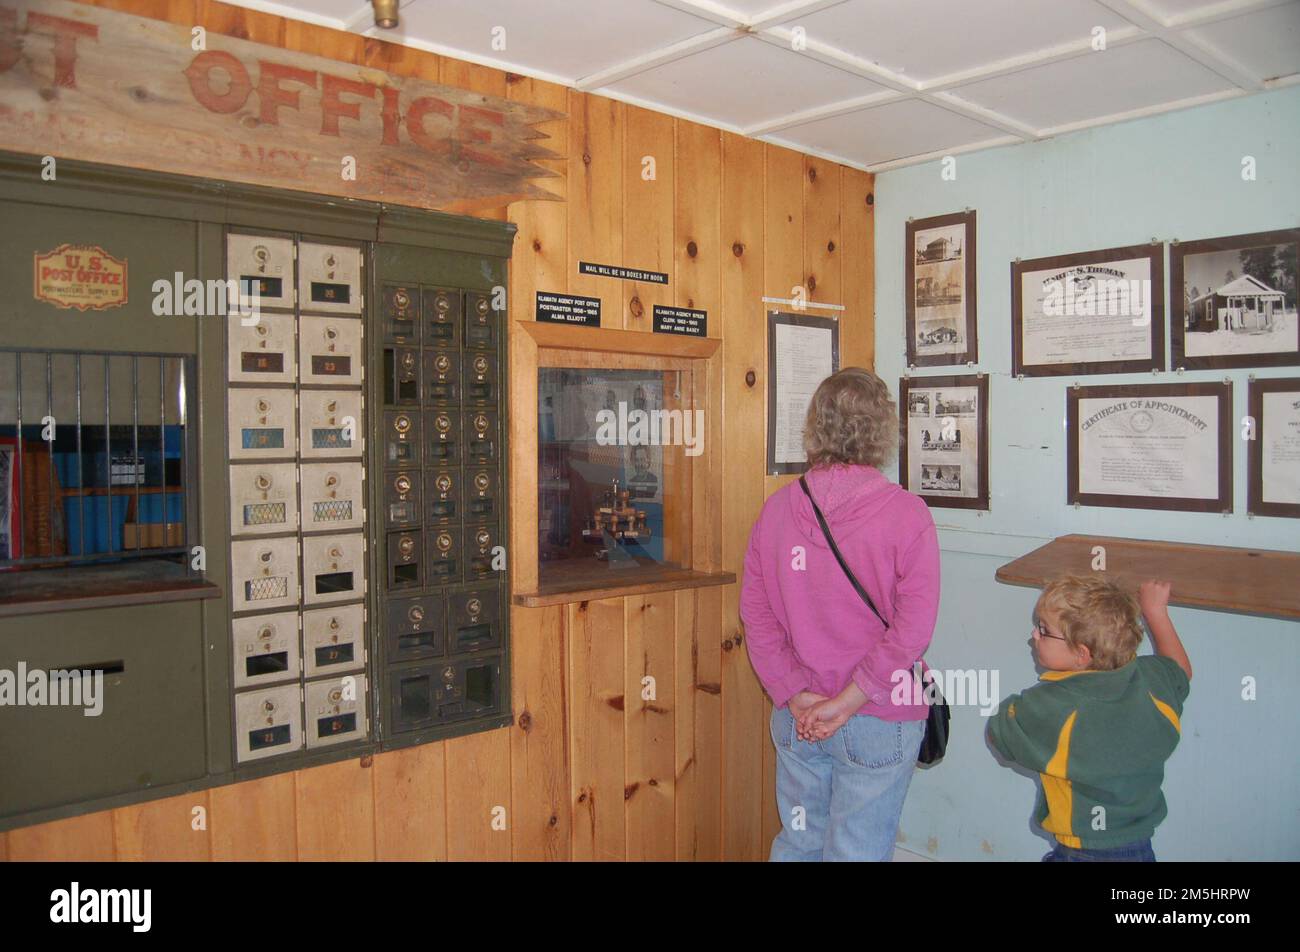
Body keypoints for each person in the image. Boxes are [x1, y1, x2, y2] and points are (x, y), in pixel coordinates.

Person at [740, 367, 940, 861]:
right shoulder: (908, 513)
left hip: (799, 716)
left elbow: (757, 618)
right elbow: (912, 630)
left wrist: (795, 693)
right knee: (859, 851)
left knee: (799, 842)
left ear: (816, 427)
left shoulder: (777, 510)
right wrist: (850, 700)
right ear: (883, 431)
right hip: (880, 715)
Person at [987, 575, 1192, 862]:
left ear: (1082, 654)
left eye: (1044, 630)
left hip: (1083, 853)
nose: (1034, 635)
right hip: (1139, 848)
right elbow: (1180, 670)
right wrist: (1156, 612)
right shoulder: (1150, 682)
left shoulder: (1056, 707)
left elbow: (999, 732)